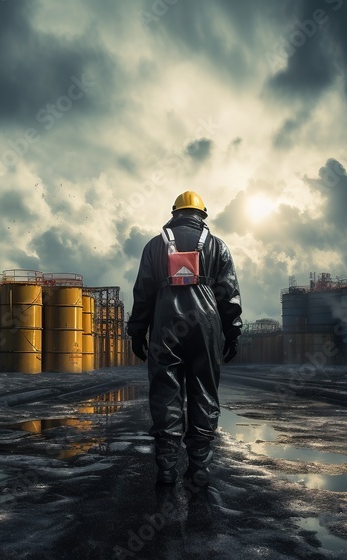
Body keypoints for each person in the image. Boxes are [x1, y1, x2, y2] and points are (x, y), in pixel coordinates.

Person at [127, 191, 242, 486]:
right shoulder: (217, 246)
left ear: (175, 213)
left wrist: (137, 331)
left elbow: (143, 293)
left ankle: (166, 467)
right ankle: (199, 466)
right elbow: (228, 295)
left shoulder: (155, 246)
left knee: (166, 394)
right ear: (202, 214)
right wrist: (232, 332)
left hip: (166, 326)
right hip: (205, 327)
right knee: (204, 391)